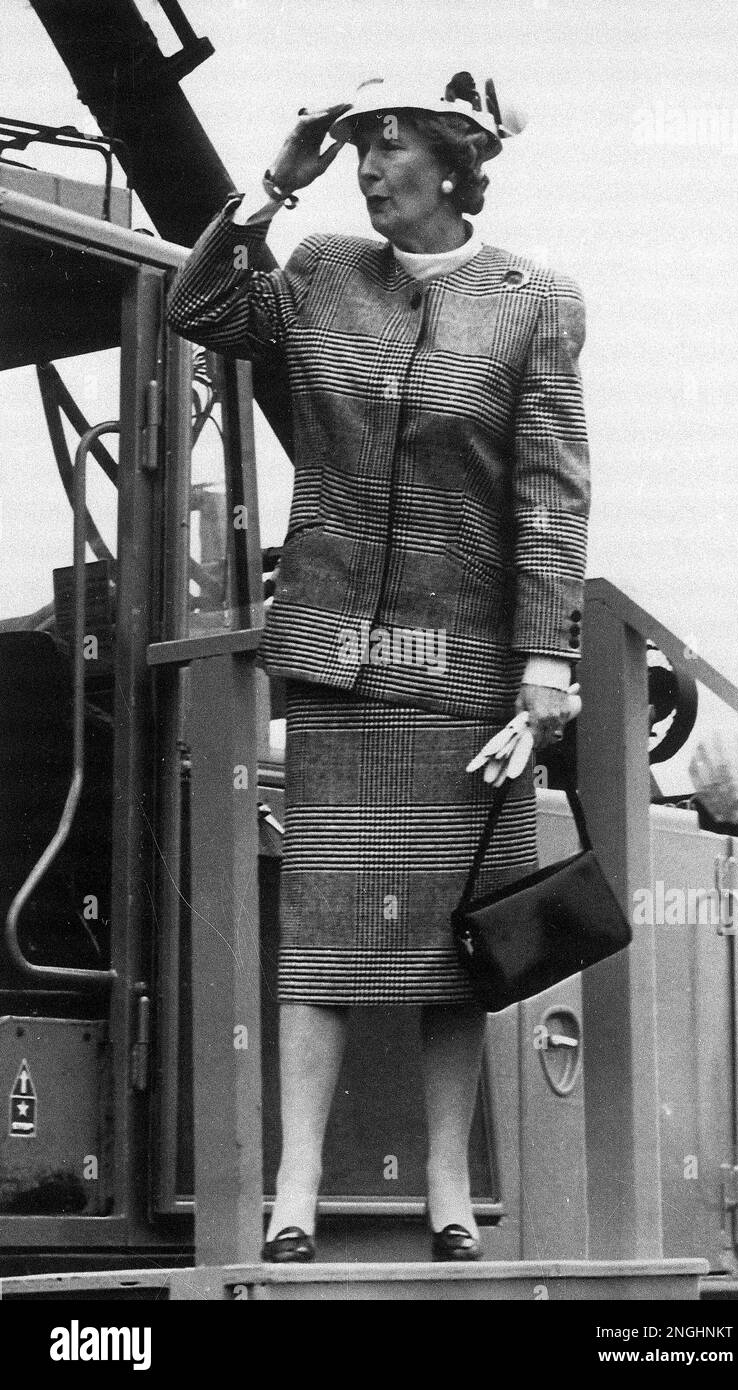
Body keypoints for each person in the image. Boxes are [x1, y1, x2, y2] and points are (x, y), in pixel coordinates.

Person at [167, 71, 590, 1262]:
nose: (367, 170)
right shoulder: (316, 273)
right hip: (340, 662)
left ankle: (450, 1190)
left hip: (465, 671)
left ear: (454, 164)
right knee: (328, 928)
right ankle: (294, 1186)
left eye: (389, 149)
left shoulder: (532, 303)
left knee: (460, 936)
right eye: (354, 152)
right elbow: (200, 304)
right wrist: (272, 182)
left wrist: (545, 665)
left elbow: (552, 499)